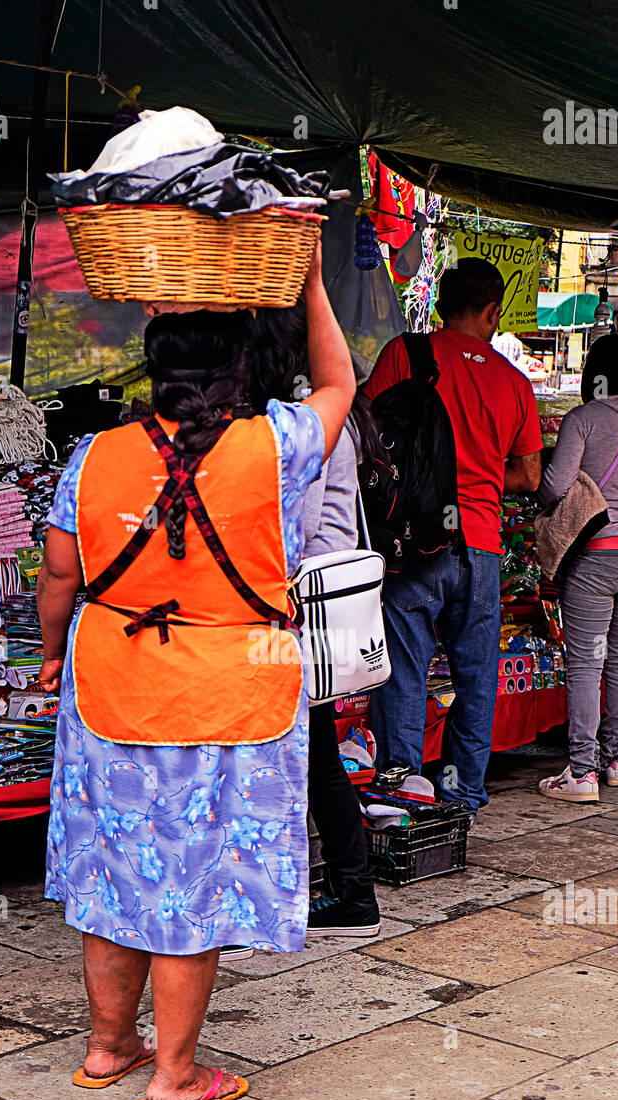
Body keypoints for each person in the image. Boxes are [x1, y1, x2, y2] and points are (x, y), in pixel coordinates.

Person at [36, 244, 354, 1100]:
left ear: (154, 368)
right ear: (244, 367)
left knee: (110, 872)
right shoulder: (280, 444)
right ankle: (174, 1073)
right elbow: (340, 384)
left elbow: (60, 575)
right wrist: (314, 283)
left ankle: (108, 1048)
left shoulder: (94, 455)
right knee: (195, 882)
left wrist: (54, 651)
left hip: (110, 689)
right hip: (231, 696)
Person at [364, 258, 542, 817]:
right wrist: (483, 474)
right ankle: (463, 792)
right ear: (492, 312)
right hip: (481, 544)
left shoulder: (406, 353)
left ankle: (401, 789)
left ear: (441, 304)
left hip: (413, 541)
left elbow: (365, 433)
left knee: (405, 669)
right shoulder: (514, 382)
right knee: (475, 673)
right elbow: (531, 476)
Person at [249, 305, 380, 937]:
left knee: (309, 754)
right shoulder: (328, 416)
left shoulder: (304, 425)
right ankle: (347, 892)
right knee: (314, 751)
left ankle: (349, 895)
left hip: (298, 604)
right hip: (313, 601)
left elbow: (293, 528)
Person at [538, 334, 618, 802]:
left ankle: (581, 772)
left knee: (586, 662)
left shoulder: (583, 420)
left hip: (598, 556)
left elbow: (554, 488)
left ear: (596, 373)